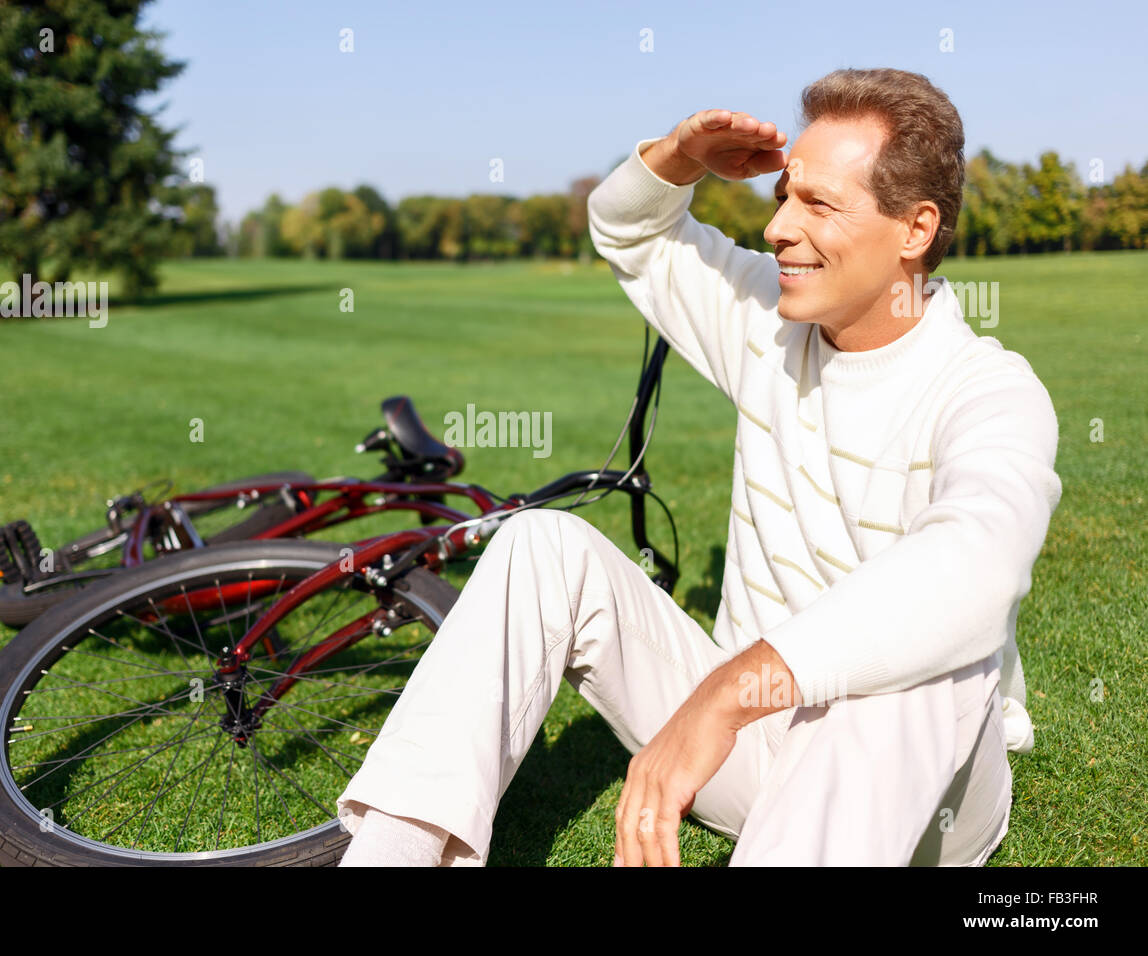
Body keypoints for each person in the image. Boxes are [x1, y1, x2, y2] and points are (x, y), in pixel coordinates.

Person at [335, 67, 1062, 867]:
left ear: (915, 229)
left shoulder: (989, 389)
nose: (779, 228)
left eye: (819, 204)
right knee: (539, 546)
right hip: (754, 756)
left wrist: (727, 692)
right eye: (784, 195)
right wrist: (680, 160)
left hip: (926, 796)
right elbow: (630, 233)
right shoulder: (767, 317)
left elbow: (974, 567)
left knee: (912, 667)